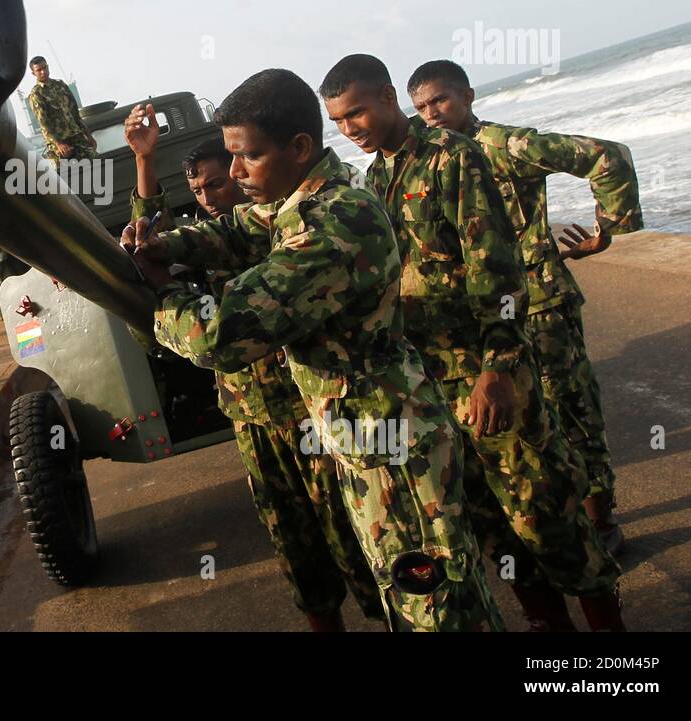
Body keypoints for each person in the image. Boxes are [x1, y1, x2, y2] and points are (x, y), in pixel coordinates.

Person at [127, 70, 501, 632]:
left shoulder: (334, 222)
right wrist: (165, 243)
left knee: (434, 610)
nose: (233, 173)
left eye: (246, 157)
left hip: (392, 451)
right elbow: (233, 232)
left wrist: (164, 291)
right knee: (423, 601)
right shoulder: (298, 202)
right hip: (366, 440)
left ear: (300, 148)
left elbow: (220, 337)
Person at [320, 53, 626, 631]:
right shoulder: (377, 177)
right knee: (492, 529)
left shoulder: (452, 158)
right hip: (434, 388)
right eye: (337, 121)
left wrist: (500, 368)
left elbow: (497, 272)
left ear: (387, 97)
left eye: (356, 112)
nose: (349, 128)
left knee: (548, 517)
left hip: (490, 378)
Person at [124, 102, 383, 631]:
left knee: (356, 542)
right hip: (252, 415)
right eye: (199, 190)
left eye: (224, 179)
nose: (215, 193)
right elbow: (152, 235)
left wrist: (165, 292)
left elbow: (219, 332)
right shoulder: (239, 224)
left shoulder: (289, 223)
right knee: (297, 553)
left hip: (311, 413)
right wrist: (145, 167)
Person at [406, 59, 643, 555]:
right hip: (486, 321)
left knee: (573, 411)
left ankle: (602, 522)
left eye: (440, 100)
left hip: (540, 306)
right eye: (422, 107)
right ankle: (555, 525)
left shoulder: (505, 146)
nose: (432, 114)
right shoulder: (429, 162)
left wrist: (608, 229)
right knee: (523, 427)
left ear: (467, 96)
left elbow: (604, 155)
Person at [26, 56, 97, 162]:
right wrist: (58, 144)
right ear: (33, 73)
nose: (43, 72)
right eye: (39, 70)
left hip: (77, 135)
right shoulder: (36, 94)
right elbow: (44, 123)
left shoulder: (60, 85)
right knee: (69, 175)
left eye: (44, 68)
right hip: (60, 142)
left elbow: (75, 113)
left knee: (95, 161)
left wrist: (88, 135)